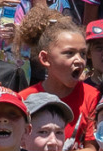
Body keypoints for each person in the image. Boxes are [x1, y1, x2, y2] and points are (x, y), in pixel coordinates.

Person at [22, 16, 98, 144]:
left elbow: (91, 150)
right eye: (69, 53)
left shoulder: (92, 97)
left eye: (83, 54)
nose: (79, 60)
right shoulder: (23, 99)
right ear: (45, 59)